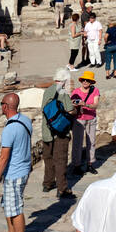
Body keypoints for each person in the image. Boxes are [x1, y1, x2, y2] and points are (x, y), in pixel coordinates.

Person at [0, 92, 33, 232]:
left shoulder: (9, 128)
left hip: (14, 173)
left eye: (1, 103)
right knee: (7, 205)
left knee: (15, 209)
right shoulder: (25, 120)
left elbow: (3, 157)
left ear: (5, 106)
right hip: (22, 169)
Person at [40, 68, 76, 199]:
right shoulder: (62, 92)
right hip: (60, 132)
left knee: (48, 158)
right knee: (60, 160)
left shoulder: (48, 91)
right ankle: (62, 188)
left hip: (46, 131)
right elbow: (70, 110)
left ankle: (47, 183)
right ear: (65, 80)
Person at [71, 69, 100, 174]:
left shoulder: (95, 91)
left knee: (91, 142)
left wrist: (85, 104)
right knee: (77, 143)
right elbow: (71, 103)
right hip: (79, 119)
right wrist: (75, 104)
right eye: (83, 80)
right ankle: (76, 165)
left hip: (91, 118)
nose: (85, 82)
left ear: (91, 82)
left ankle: (90, 164)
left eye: (87, 80)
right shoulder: (76, 91)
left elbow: (96, 105)